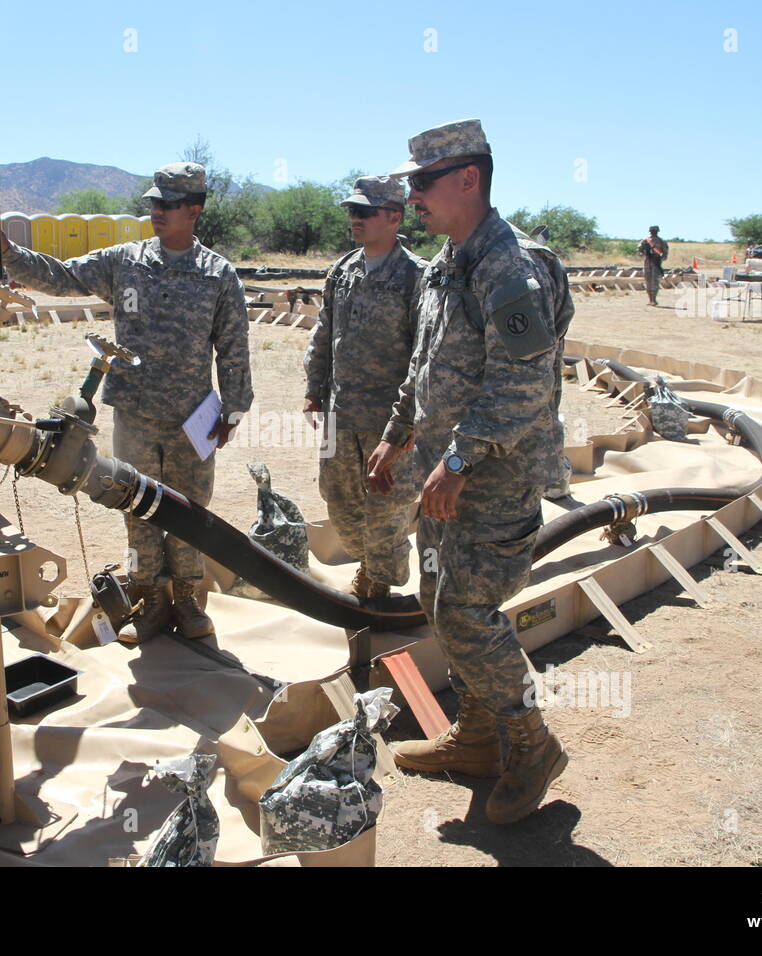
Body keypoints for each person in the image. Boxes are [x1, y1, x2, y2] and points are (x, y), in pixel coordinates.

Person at [366, 119, 574, 825]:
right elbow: (426, 371)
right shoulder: (447, 264)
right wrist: (398, 436)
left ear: (468, 179)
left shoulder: (511, 266)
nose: (411, 196)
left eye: (421, 183)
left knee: (467, 613)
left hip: (494, 476)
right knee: (439, 601)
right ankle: (480, 738)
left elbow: (524, 384)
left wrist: (458, 458)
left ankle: (531, 744)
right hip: (441, 475)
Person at [0, 162, 253, 643]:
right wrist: (10, 255)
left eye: (168, 204)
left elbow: (234, 347)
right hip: (134, 414)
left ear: (194, 210)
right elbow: (63, 276)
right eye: (153, 203)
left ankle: (188, 601)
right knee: (136, 510)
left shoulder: (218, 274)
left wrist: (234, 408)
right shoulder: (127, 261)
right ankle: (150, 600)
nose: (156, 211)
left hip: (193, 418)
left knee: (191, 511)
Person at [302, 176, 426, 602]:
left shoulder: (417, 277)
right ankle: (369, 567)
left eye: (365, 212)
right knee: (339, 502)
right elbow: (324, 332)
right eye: (352, 211)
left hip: (388, 424)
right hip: (341, 415)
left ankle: (380, 589)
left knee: (387, 510)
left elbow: (424, 357)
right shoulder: (344, 269)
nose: (355, 218)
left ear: (394, 217)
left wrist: (405, 427)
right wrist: (314, 387)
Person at [638, 225, 669, 306]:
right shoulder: (645, 241)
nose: (653, 232)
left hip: (656, 263)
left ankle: (654, 300)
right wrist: (642, 253)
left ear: (657, 231)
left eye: (654, 230)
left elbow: (665, 253)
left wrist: (660, 260)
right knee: (648, 281)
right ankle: (650, 300)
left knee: (655, 281)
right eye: (652, 230)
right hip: (647, 262)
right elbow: (639, 250)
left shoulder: (661, 241)